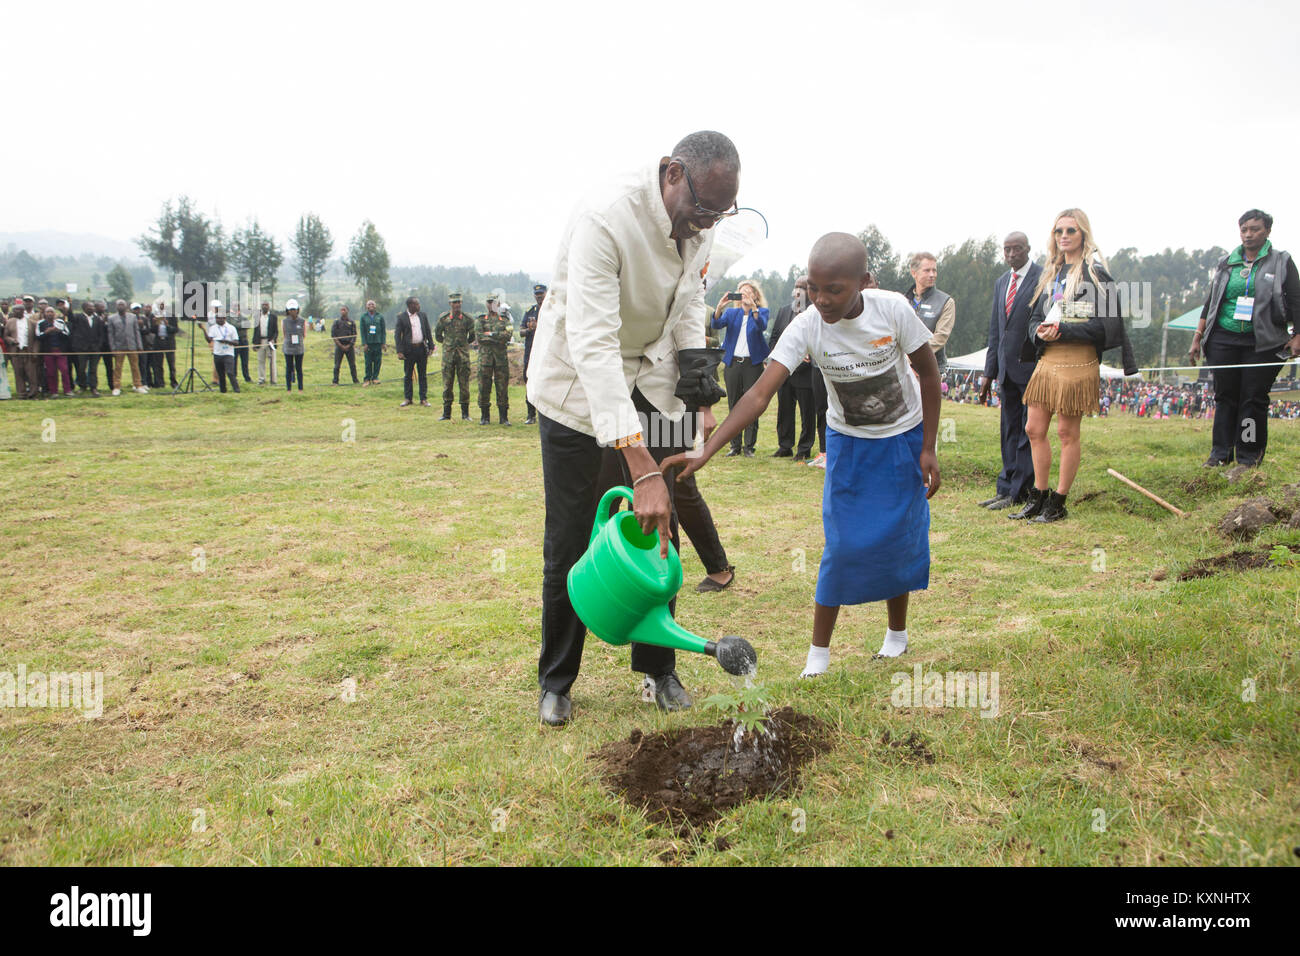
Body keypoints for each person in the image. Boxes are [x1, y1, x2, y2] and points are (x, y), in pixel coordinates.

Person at [526, 130, 739, 726]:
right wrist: (640, 465)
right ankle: (558, 679)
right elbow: (592, 343)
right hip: (578, 386)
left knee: (660, 528)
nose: (706, 224)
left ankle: (658, 669)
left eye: (720, 213)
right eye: (701, 208)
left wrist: (698, 393)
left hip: (653, 378)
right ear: (672, 173)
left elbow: (690, 304)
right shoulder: (605, 218)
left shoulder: (703, 218)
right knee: (570, 539)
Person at [664, 232, 941, 677]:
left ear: (864, 282)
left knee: (897, 538)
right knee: (843, 545)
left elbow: (928, 374)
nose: (822, 299)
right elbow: (757, 395)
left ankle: (896, 636)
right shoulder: (807, 324)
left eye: (835, 289)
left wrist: (927, 446)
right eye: (814, 287)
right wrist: (706, 450)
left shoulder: (892, 309)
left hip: (900, 439)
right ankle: (818, 654)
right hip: (848, 444)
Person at [1010, 208, 1136, 523]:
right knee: (1033, 428)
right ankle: (1038, 496)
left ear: (1083, 235)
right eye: (1059, 231)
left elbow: (1104, 328)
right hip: (1047, 360)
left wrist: (1064, 330)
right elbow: (1036, 318)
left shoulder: (1095, 274)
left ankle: (1058, 501)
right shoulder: (1051, 273)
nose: (1064, 236)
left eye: (1071, 231)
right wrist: (1038, 332)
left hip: (1078, 362)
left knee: (1067, 432)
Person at [1189, 208, 1300, 467]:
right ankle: (1220, 454)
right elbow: (1211, 302)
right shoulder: (1226, 262)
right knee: (1225, 396)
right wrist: (1198, 336)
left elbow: (1296, 300)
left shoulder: (1281, 261)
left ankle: (1248, 456)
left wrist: (1297, 336)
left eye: (1255, 229)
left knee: (1252, 398)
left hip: (1263, 342)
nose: (1248, 234)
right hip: (1223, 340)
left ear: (1267, 231)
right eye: (1244, 229)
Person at [978, 232, 1042, 510]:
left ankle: (1020, 491)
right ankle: (1005, 487)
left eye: (1017, 249)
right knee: (1009, 430)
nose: (1011, 254)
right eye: (1007, 250)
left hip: (1032, 370)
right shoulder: (1002, 282)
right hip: (1005, 371)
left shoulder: (1043, 277)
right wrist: (988, 373)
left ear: (1028, 249)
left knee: (1028, 433)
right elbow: (996, 332)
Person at [712, 280, 769, 456]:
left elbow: (762, 326)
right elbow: (716, 324)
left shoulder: (761, 312)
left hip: (752, 364)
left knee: (751, 405)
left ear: (755, 295)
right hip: (734, 364)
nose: (744, 295)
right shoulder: (732, 313)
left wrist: (753, 308)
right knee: (734, 404)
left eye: (748, 292)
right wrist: (720, 307)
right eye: (741, 292)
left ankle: (749, 446)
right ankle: (734, 445)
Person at [768, 276, 817, 459]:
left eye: (802, 287)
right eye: (796, 287)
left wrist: (810, 356)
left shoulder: (814, 313)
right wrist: (777, 357)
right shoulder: (783, 311)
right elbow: (774, 338)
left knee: (807, 413)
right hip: (785, 372)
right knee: (784, 411)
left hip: (805, 372)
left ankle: (804, 449)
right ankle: (785, 446)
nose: (798, 291)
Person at [906, 252, 956, 373]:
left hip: (931, 368)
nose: (932, 275)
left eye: (934, 270)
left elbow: (940, 337)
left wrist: (912, 357)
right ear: (914, 273)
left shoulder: (946, 302)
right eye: (927, 270)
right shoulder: (903, 300)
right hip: (905, 368)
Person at [434, 292, 474, 418]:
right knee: (447, 385)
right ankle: (446, 413)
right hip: (448, 357)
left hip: (463, 357)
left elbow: (472, 336)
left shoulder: (468, 319)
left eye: (458, 302)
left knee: (464, 385)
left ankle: (465, 414)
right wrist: (448, 345)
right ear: (450, 304)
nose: (457, 305)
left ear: (461, 303)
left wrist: (463, 346)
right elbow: (438, 336)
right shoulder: (444, 318)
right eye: (454, 302)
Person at [476, 294, 513, 425]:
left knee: (502, 387)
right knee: (484, 387)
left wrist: (491, 334)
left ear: (498, 304)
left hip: (500, 359)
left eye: (494, 302)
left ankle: (504, 417)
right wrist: (498, 337)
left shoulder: (505, 319)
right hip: (485, 359)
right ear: (486, 304)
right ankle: (484, 417)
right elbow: (480, 337)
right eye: (489, 302)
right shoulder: (480, 320)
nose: (491, 304)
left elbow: (508, 335)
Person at [394, 296, 433, 407]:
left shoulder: (423, 316)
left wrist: (431, 346)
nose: (419, 306)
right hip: (408, 350)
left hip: (421, 348)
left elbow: (428, 331)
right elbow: (397, 335)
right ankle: (408, 398)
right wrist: (399, 351)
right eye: (416, 304)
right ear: (410, 305)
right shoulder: (402, 317)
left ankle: (423, 399)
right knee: (408, 375)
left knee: (422, 375)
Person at [107, 299, 146, 395]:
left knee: (135, 367)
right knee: (118, 367)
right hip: (119, 346)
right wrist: (113, 348)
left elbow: (137, 332)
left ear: (126, 306)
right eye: (119, 305)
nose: (121, 306)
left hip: (132, 345)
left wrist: (139, 345)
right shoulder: (111, 318)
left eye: (122, 305)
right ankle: (116, 387)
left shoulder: (132, 317)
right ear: (116, 307)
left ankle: (138, 385)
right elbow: (110, 334)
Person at [69, 299, 106, 397]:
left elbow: (101, 334)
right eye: (90, 307)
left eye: (93, 307)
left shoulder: (98, 319)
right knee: (81, 368)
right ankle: (82, 386)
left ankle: (93, 387)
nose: (92, 308)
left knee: (93, 369)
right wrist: (70, 306)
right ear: (84, 308)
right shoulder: (78, 317)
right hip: (82, 348)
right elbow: (70, 317)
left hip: (95, 348)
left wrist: (99, 345)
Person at [3, 302, 40, 399]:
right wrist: (11, 340)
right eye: (14, 310)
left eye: (17, 310)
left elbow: (36, 339)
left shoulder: (31, 323)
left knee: (31, 374)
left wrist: (35, 352)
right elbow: (6, 336)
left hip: (28, 351)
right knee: (18, 374)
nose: (14, 312)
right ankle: (22, 394)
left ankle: (33, 393)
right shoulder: (10, 322)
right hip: (16, 352)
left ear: (22, 311)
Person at [521, 284, 546, 424]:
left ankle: (546, 415)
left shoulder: (551, 310)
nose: (539, 296)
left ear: (546, 294)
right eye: (537, 294)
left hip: (547, 353)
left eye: (541, 294)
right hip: (531, 353)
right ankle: (531, 415)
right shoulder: (530, 311)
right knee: (529, 382)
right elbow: (521, 331)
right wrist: (530, 330)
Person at [36, 306, 74, 397]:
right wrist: (46, 332)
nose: (50, 314)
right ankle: (54, 391)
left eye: (51, 312)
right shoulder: (40, 323)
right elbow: (38, 336)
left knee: (64, 370)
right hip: (48, 351)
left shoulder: (60, 322)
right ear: (44, 314)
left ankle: (67, 390)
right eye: (48, 312)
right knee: (51, 372)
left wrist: (59, 331)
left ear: (54, 313)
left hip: (60, 351)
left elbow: (67, 334)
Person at [208, 311, 240, 393]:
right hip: (217, 354)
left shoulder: (231, 328)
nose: (218, 320)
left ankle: (236, 389)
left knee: (230, 372)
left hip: (228, 353)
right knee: (220, 374)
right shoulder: (213, 328)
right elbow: (209, 340)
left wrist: (226, 341)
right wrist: (203, 330)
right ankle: (223, 390)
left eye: (220, 318)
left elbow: (236, 342)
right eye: (217, 318)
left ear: (224, 318)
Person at [359, 299, 385, 386]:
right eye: (369, 304)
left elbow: (383, 331)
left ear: (375, 306)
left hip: (377, 342)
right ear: (366, 306)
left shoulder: (380, 316)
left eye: (373, 304)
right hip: (368, 343)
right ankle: (367, 379)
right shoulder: (363, 317)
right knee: (368, 362)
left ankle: (375, 378)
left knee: (378, 361)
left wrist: (383, 343)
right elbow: (362, 332)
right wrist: (364, 343)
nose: (371, 306)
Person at [331, 305, 359, 385]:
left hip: (349, 346)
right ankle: (335, 381)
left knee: (352, 365)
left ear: (347, 311)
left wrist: (349, 345)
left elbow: (354, 335)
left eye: (344, 310)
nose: (343, 311)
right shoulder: (336, 322)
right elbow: (333, 335)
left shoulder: (352, 322)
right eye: (341, 310)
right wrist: (340, 345)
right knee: (337, 365)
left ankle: (355, 380)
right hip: (339, 346)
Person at [253, 301, 279, 385]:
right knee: (261, 361)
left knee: (272, 361)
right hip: (260, 341)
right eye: (263, 305)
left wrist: (273, 339)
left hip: (270, 341)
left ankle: (273, 379)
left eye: (266, 305)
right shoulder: (257, 317)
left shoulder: (273, 317)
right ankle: (261, 379)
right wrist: (254, 343)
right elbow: (255, 330)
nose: (265, 306)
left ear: (269, 307)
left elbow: (276, 331)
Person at [282, 299, 305, 392]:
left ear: (297, 310)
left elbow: (304, 335)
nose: (292, 311)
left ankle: (300, 388)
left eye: (294, 309)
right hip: (288, 348)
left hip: (299, 348)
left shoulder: (302, 321)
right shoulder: (284, 321)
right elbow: (284, 334)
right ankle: (289, 389)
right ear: (287, 310)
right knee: (288, 368)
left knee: (299, 368)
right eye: (290, 310)